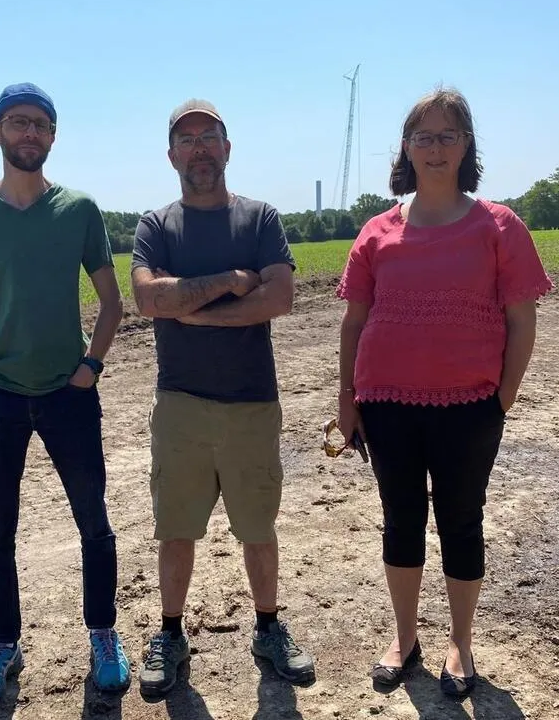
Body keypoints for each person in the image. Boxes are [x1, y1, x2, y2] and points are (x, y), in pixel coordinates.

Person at [336, 87, 553, 698]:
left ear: (466, 146)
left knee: (461, 522)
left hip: (470, 407)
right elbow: (354, 322)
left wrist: (501, 398)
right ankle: (404, 638)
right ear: (406, 148)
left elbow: (521, 320)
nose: (434, 148)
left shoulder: (499, 226)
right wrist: (346, 400)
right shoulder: (377, 231)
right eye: (423, 137)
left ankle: (460, 642)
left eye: (447, 135)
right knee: (399, 521)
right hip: (385, 405)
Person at [0, 82, 130, 708]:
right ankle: (2, 645)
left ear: (53, 137)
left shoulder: (79, 210)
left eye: (40, 124)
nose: (29, 133)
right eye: (17, 122)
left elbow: (112, 301)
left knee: (94, 523)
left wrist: (90, 366)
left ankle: (103, 635)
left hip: (69, 394)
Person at [129, 99, 316, 696]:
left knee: (258, 526)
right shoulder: (156, 226)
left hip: (251, 403)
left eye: (209, 137)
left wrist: (198, 314)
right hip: (179, 404)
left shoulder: (259, 218)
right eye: (187, 141)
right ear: (171, 156)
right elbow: (149, 301)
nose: (199, 149)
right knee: (175, 526)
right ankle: (170, 633)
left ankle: (268, 627)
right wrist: (232, 283)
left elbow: (280, 298)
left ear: (227, 149)